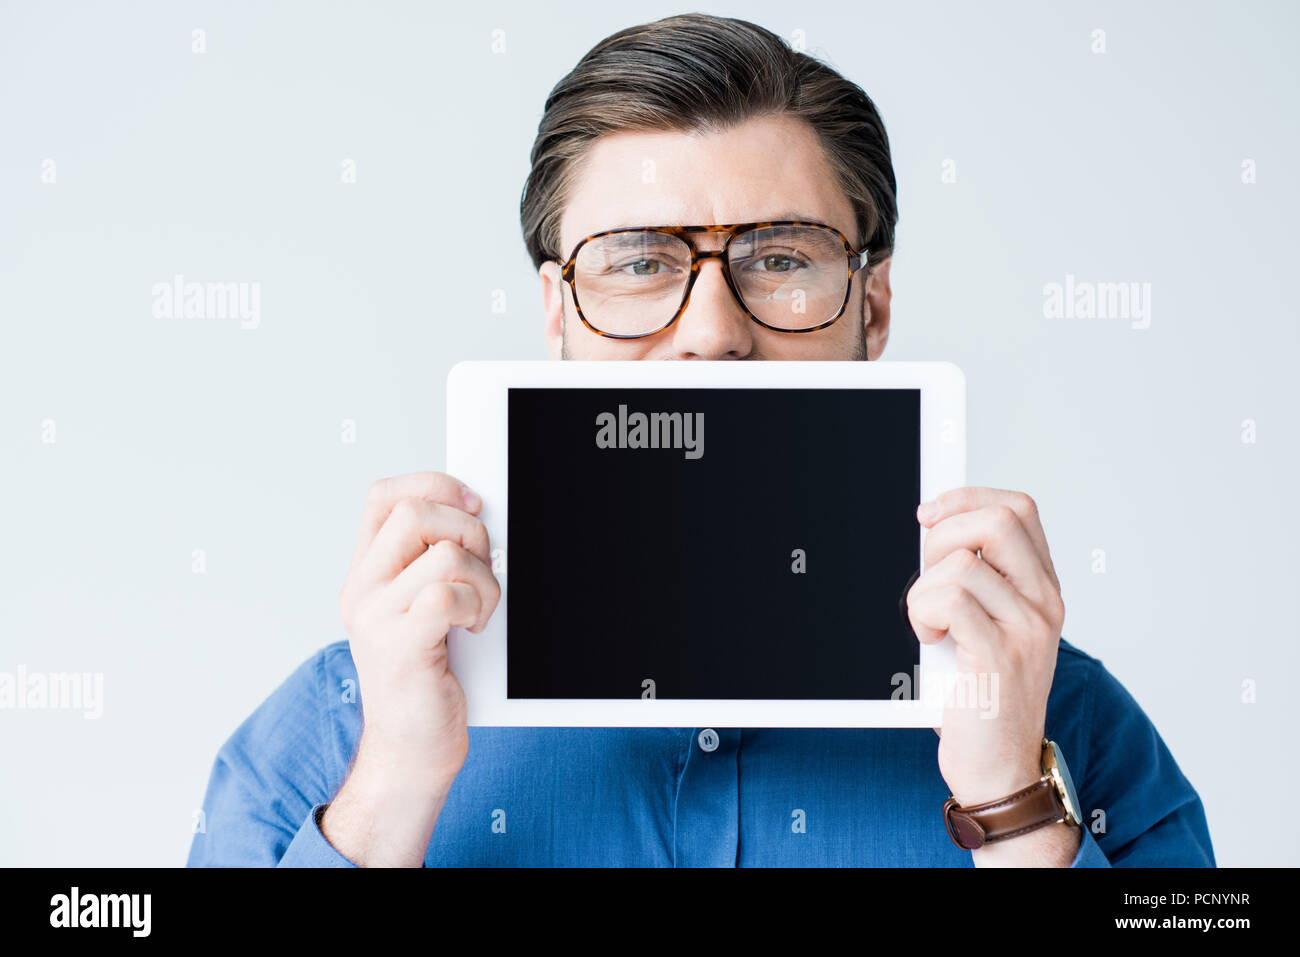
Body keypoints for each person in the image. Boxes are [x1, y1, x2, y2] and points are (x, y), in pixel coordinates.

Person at [187, 13, 1214, 867]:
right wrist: (391, 787)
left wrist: (1011, 807)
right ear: (558, 314)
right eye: (637, 262)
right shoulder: (344, 716)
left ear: (876, 303)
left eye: (779, 257)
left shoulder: (1058, 713)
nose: (713, 334)